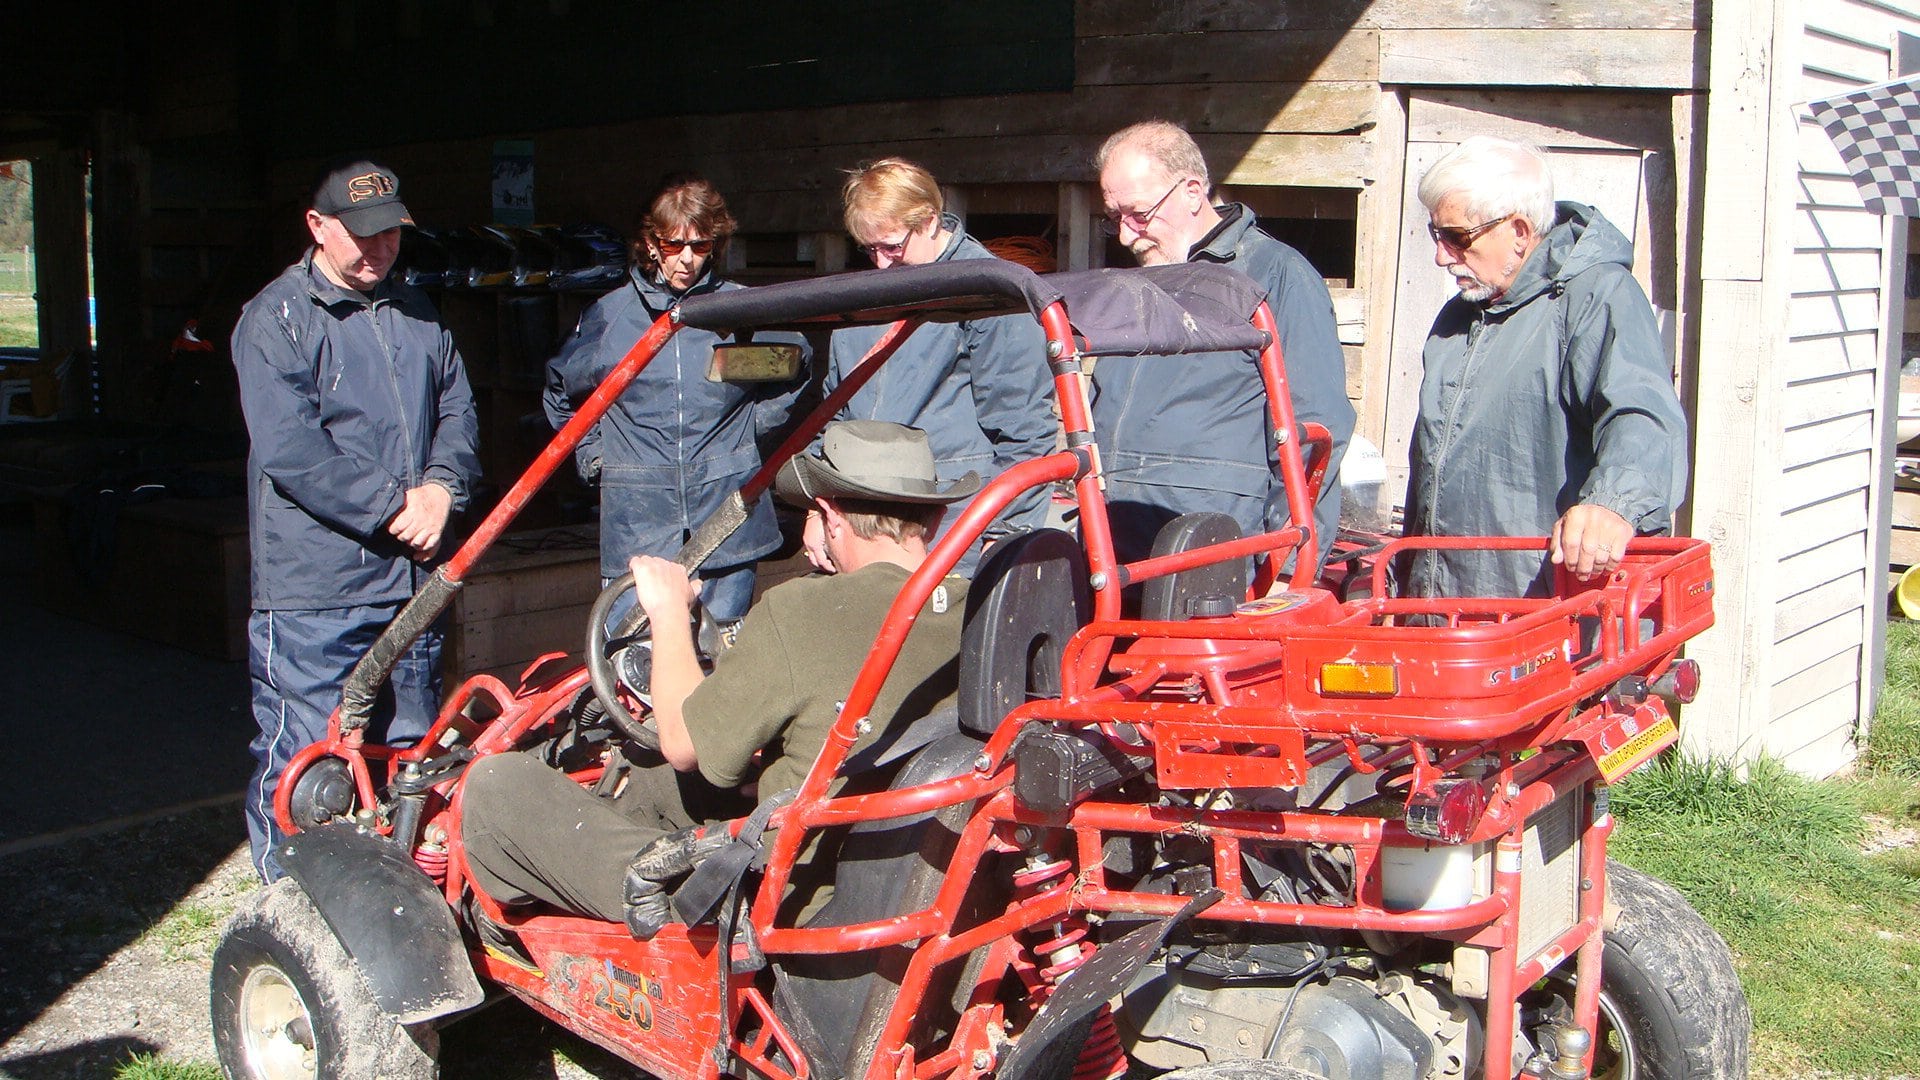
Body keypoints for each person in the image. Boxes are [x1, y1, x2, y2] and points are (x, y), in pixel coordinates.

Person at [461, 420, 974, 923]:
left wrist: (667, 612)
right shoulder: (979, 610)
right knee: (652, 778)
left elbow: (683, 744)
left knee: (494, 785)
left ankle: (568, 908)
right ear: (930, 520)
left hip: (794, 896)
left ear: (831, 517)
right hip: (916, 872)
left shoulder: (800, 610)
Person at [230, 159, 479, 881]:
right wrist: (393, 505)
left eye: (390, 236)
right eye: (361, 236)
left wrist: (442, 486)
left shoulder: (417, 312)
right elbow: (292, 450)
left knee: (408, 747)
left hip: (411, 579)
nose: (378, 251)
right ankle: (295, 904)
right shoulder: (274, 320)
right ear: (317, 226)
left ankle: (397, 895)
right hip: (318, 589)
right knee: (310, 758)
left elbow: (458, 410)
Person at [1401, 136, 1688, 598]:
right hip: (1447, 611)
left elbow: (1642, 416)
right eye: (1437, 235)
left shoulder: (1598, 297)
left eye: (1457, 237)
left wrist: (1611, 505)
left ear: (1518, 232)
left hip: (1543, 610)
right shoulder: (1457, 319)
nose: (1441, 256)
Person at [544, 175, 810, 619]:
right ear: (651, 244)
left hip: (727, 515)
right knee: (633, 660)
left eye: (701, 246)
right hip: (639, 524)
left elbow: (795, 365)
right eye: (673, 245)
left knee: (721, 664)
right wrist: (595, 455)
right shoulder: (611, 319)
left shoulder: (743, 313)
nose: (687, 259)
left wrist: (749, 432)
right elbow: (561, 391)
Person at [1093, 120, 1355, 569]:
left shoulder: (1275, 275)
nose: (1126, 235)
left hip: (1215, 554)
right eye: (1115, 218)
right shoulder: (1137, 282)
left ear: (1192, 192)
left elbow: (1314, 427)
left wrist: (1287, 566)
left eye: (1139, 214)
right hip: (1116, 543)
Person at [826, 158, 1056, 575]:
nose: (880, 264)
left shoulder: (988, 293)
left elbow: (1024, 430)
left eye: (892, 246)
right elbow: (832, 413)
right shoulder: (865, 293)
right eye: (869, 249)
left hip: (952, 523)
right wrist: (818, 511)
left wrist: (1003, 534)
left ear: (930, 221)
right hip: (864, 517)